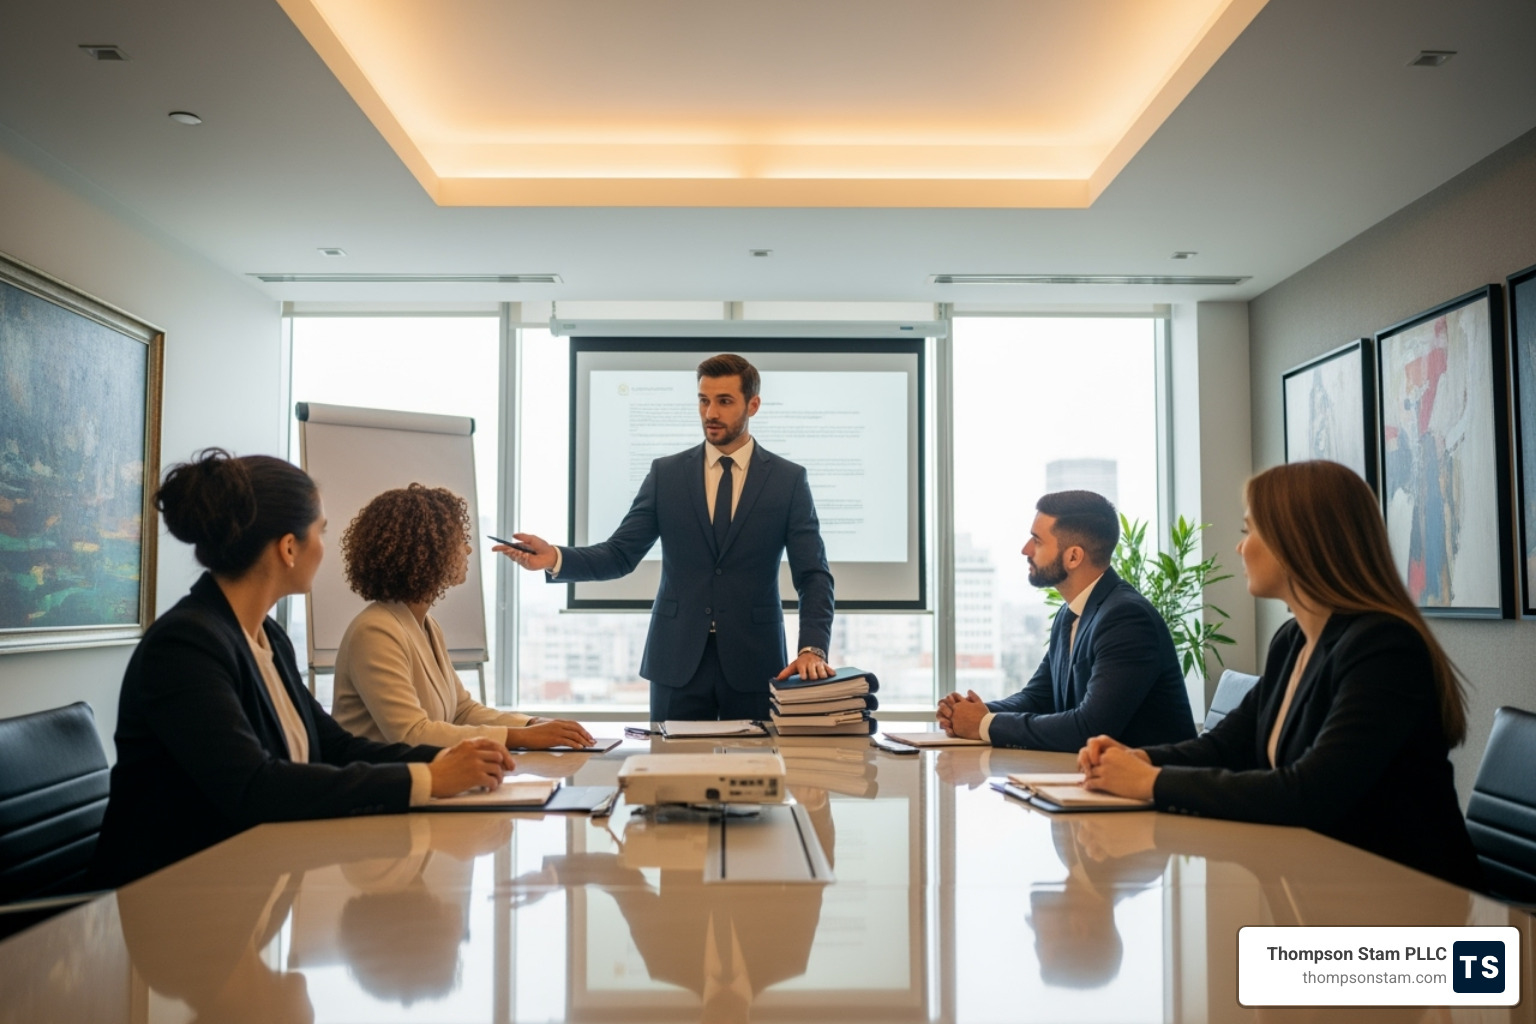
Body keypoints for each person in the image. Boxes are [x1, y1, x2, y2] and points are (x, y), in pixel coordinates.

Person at [92, 450, 514, 888]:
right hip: (171, 902)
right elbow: (255, 786)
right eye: (321, 532)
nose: (324, 548)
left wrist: (448, 761)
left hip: (249, 887)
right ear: (289, 548)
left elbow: (335, 747)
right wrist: (428, 778)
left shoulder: (267, 637)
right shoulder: (185, 646)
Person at [1078, 460, 1483, 889]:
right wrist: (1138, 759)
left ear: (1299, 543)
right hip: (1327, 882)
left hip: (1414, 904)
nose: (1240, 548)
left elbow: (1310, 793)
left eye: (1249, 532)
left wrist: (1152, 782)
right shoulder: (1293, 640)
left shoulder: (1384, 648)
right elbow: (1225, 747)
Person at [500, 353, 834, 721]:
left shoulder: (787, 480)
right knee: (672, 775)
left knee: (756, 772)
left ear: (753, 405)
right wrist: (555, 559)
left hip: (755, 662)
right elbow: (620, 554)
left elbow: (813, 575)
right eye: (703, 400)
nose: (710, 413)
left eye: (724, 401)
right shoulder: (667, 475)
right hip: (675, 662)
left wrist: (813, 649)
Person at [331, 484, 593, 750]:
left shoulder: (425, 625)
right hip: (382, 786)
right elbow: (411, 734)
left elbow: (461, 711)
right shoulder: (376, 631)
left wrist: (531, 724)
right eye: (459, 541)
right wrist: (522, 738)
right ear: (425, 552)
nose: (467, 550)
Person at [936, 490, 1196, 751]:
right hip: (1091, 781)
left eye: (1037, 541)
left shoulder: (1126, 618)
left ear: (1073, 556)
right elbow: (1039, 697)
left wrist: (984, 724)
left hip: (1150, 787)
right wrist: (970, 713)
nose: (1025, 550)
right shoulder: (1070, 612)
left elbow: (1089, 729)